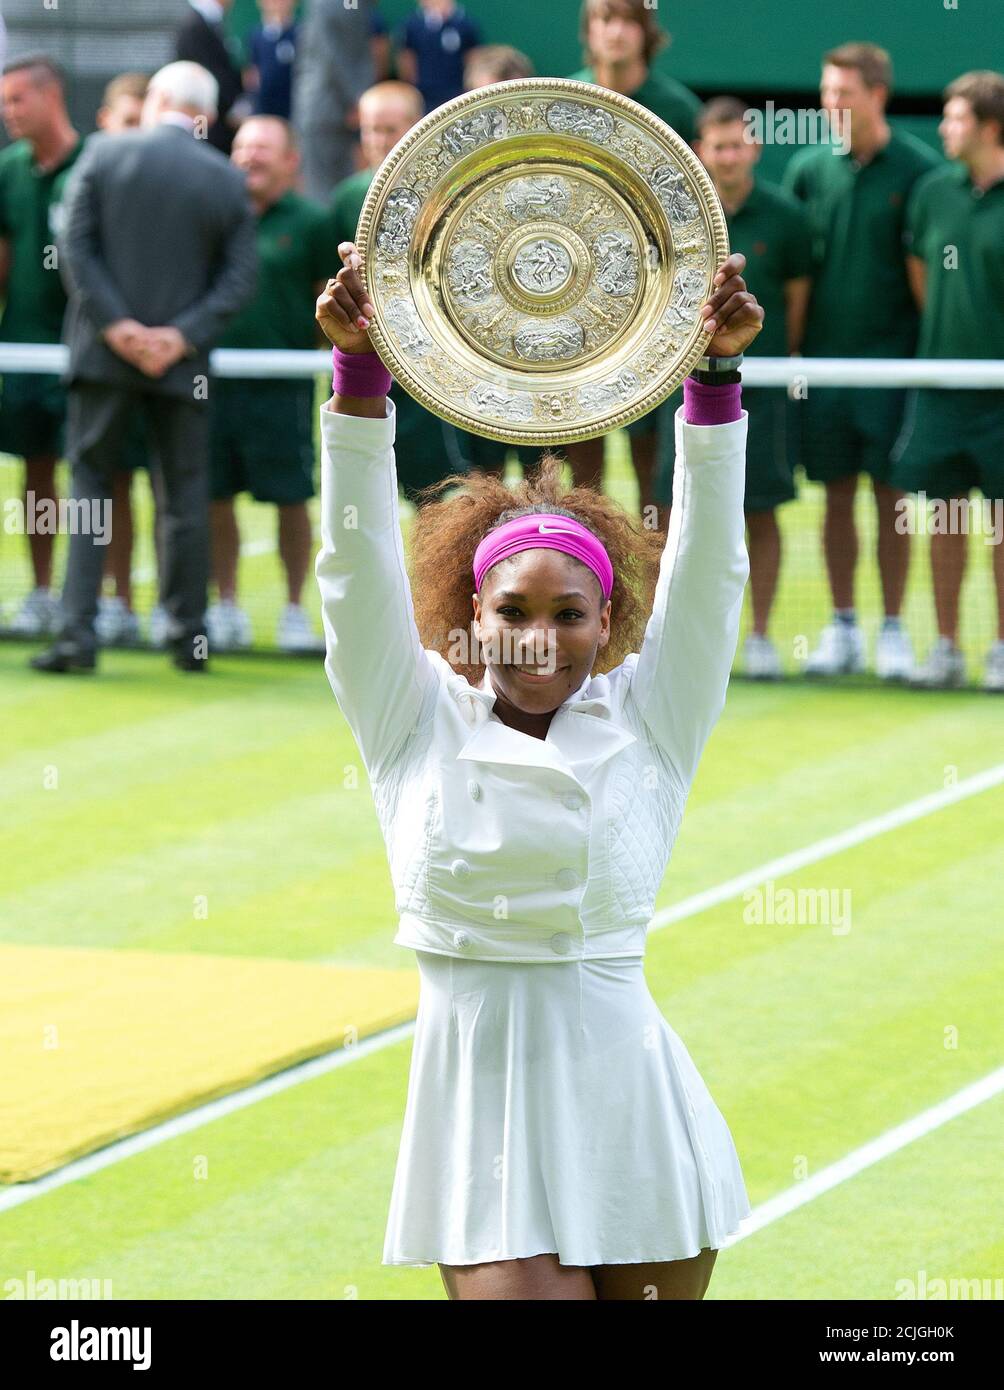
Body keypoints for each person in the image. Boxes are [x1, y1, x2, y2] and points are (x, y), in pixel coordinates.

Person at [314, 237, 764, 1299]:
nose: (536, 638)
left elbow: (711, 571)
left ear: (606, 620)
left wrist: (711, 382)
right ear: (471, 612)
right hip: (476, 1102)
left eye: (568, 614)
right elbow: (351, 566)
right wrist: (358, 377)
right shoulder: (408, 711)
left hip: (626, 1094)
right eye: (510, 610)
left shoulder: (651, 716)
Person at [30, 61, 257, 675]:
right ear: (205, 114)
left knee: (89, 493)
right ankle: (188, 638)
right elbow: (239, 280)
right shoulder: (224, 179)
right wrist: (179, 336)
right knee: (183, 498)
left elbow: (74, 249)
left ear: (156, 99)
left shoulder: (103, 155)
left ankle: (76, 636)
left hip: (104, 358)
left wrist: (119, 329)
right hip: (183, 366)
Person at [784, 42, 942, 680]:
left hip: (896, 370)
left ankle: (897, 630)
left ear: (877, 96)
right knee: (836, 498)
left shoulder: (920, 172)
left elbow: (925, 281)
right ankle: (845, 626)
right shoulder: (806, 171)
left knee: (892, 499)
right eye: (826, 93)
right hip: (824, 371)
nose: (831, 104)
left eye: (844, 93)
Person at [654, 97, 812, 679]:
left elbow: (796, 306)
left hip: (761, 392)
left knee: (760, 508)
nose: (728, 155)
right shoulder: (677, 219)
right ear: (700, 150)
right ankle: (666, 634)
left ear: (755, 147)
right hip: (686, 388)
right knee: (672, 508)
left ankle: (763, 636)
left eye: (738, 144)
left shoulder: (787, 218)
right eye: (717, 145)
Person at [891, 71, 1004, 692]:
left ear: (989, 128)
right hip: (940, 388)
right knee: (945, 519)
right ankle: (945, 646)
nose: (943, 128)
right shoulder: (933, 192)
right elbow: (921, 276)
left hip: (1002, 394)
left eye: (955, 118)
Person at [564, 0, 701, 510]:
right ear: (590, 31)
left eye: (625, 20)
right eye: (603, 20)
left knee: (654, 460)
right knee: (581, 453)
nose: (614, 32)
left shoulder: (679, 108)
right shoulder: (567, 95)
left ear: (645, 32)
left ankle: (651, 582)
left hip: (657, 302)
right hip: (576, 295)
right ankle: (584, 572)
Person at [207, 115, 335, 654]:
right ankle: (226, 606)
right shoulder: (214, 213)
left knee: (289, 498)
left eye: (262, 147)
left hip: (281, 387)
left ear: (291, 161)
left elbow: (322, 303)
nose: (250, 157)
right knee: (214, 496)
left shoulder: (310, 221)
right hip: (212, 385)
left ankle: (292, 611)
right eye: (241, 147)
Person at [329, 80, 473, 503]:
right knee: (359, 486)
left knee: (439, 492)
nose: (380, 140)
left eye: (391, 128)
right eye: (371, 129)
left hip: (432, 364)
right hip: (366, 359)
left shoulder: (450, 192)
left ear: (419, 127)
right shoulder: (347, 197)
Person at [0, 55, 83, 639]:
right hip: (23, 349)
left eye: (16, 100)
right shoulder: (7, 171)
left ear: (50, 98)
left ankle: (107, 600)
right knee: (35, 474)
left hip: (88, 352)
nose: (7, 113)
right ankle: (40, 592)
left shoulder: (94, 164)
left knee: (102, 475)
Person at [92, 72, 156, 649]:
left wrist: (168, 339)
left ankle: (171, 612)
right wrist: (121, 330)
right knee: (104, 485)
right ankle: (110, 605)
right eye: (128, 120)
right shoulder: (91, 175)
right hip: (105, 365)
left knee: (171, 488)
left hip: (169, 369)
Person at [292, 0, 376, 200]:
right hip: (327, 111)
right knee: (323, 194)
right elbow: (334, 56)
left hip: (328, 110)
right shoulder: (335, 4)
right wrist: (356, 100)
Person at [174, 0, 249, 154]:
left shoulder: (207, 22)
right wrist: (234, 107)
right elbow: (207, 72)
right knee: (201, 149)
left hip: (215, 115)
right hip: (206, 115)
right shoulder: (194, 25)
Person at [395, 0, 482, 115]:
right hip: (425, 95)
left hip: (457, 94)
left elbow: (472, 59)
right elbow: (407, 60)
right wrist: (413, 89)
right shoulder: (412, 25)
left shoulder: (465, 24)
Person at [245, 0, 297, 120]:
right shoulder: (255, 35)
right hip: (263, 111)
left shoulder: (301, 34)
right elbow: (251, 74)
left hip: (292, 111)